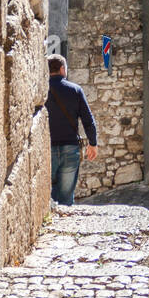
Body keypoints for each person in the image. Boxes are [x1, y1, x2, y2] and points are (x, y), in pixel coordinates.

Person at [47, 55, 98, 210]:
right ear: (62, 69)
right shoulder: (75, 90)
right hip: (70, 147)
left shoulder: (41, 90)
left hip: (47, 149)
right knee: (66, 196)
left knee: (47, 195)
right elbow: (88, 119)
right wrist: (93, 143)